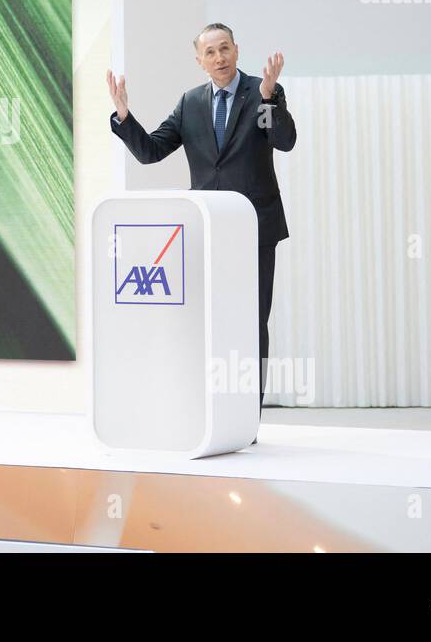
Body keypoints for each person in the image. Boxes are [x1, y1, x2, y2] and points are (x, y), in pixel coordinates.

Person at [106, 23, 296, 438]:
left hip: (255, 230)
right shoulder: (190, 103)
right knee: (209, 323)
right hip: (208, 233)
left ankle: (248, 420)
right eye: (210, 53)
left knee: (251, 324)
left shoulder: (259, 93)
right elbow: (151, 152)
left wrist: (269, 96)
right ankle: (210, 412)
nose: (219, 58)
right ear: (199, 61)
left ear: (236, 49)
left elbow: (284, 140)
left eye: (224, 48)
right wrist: (124, 116)